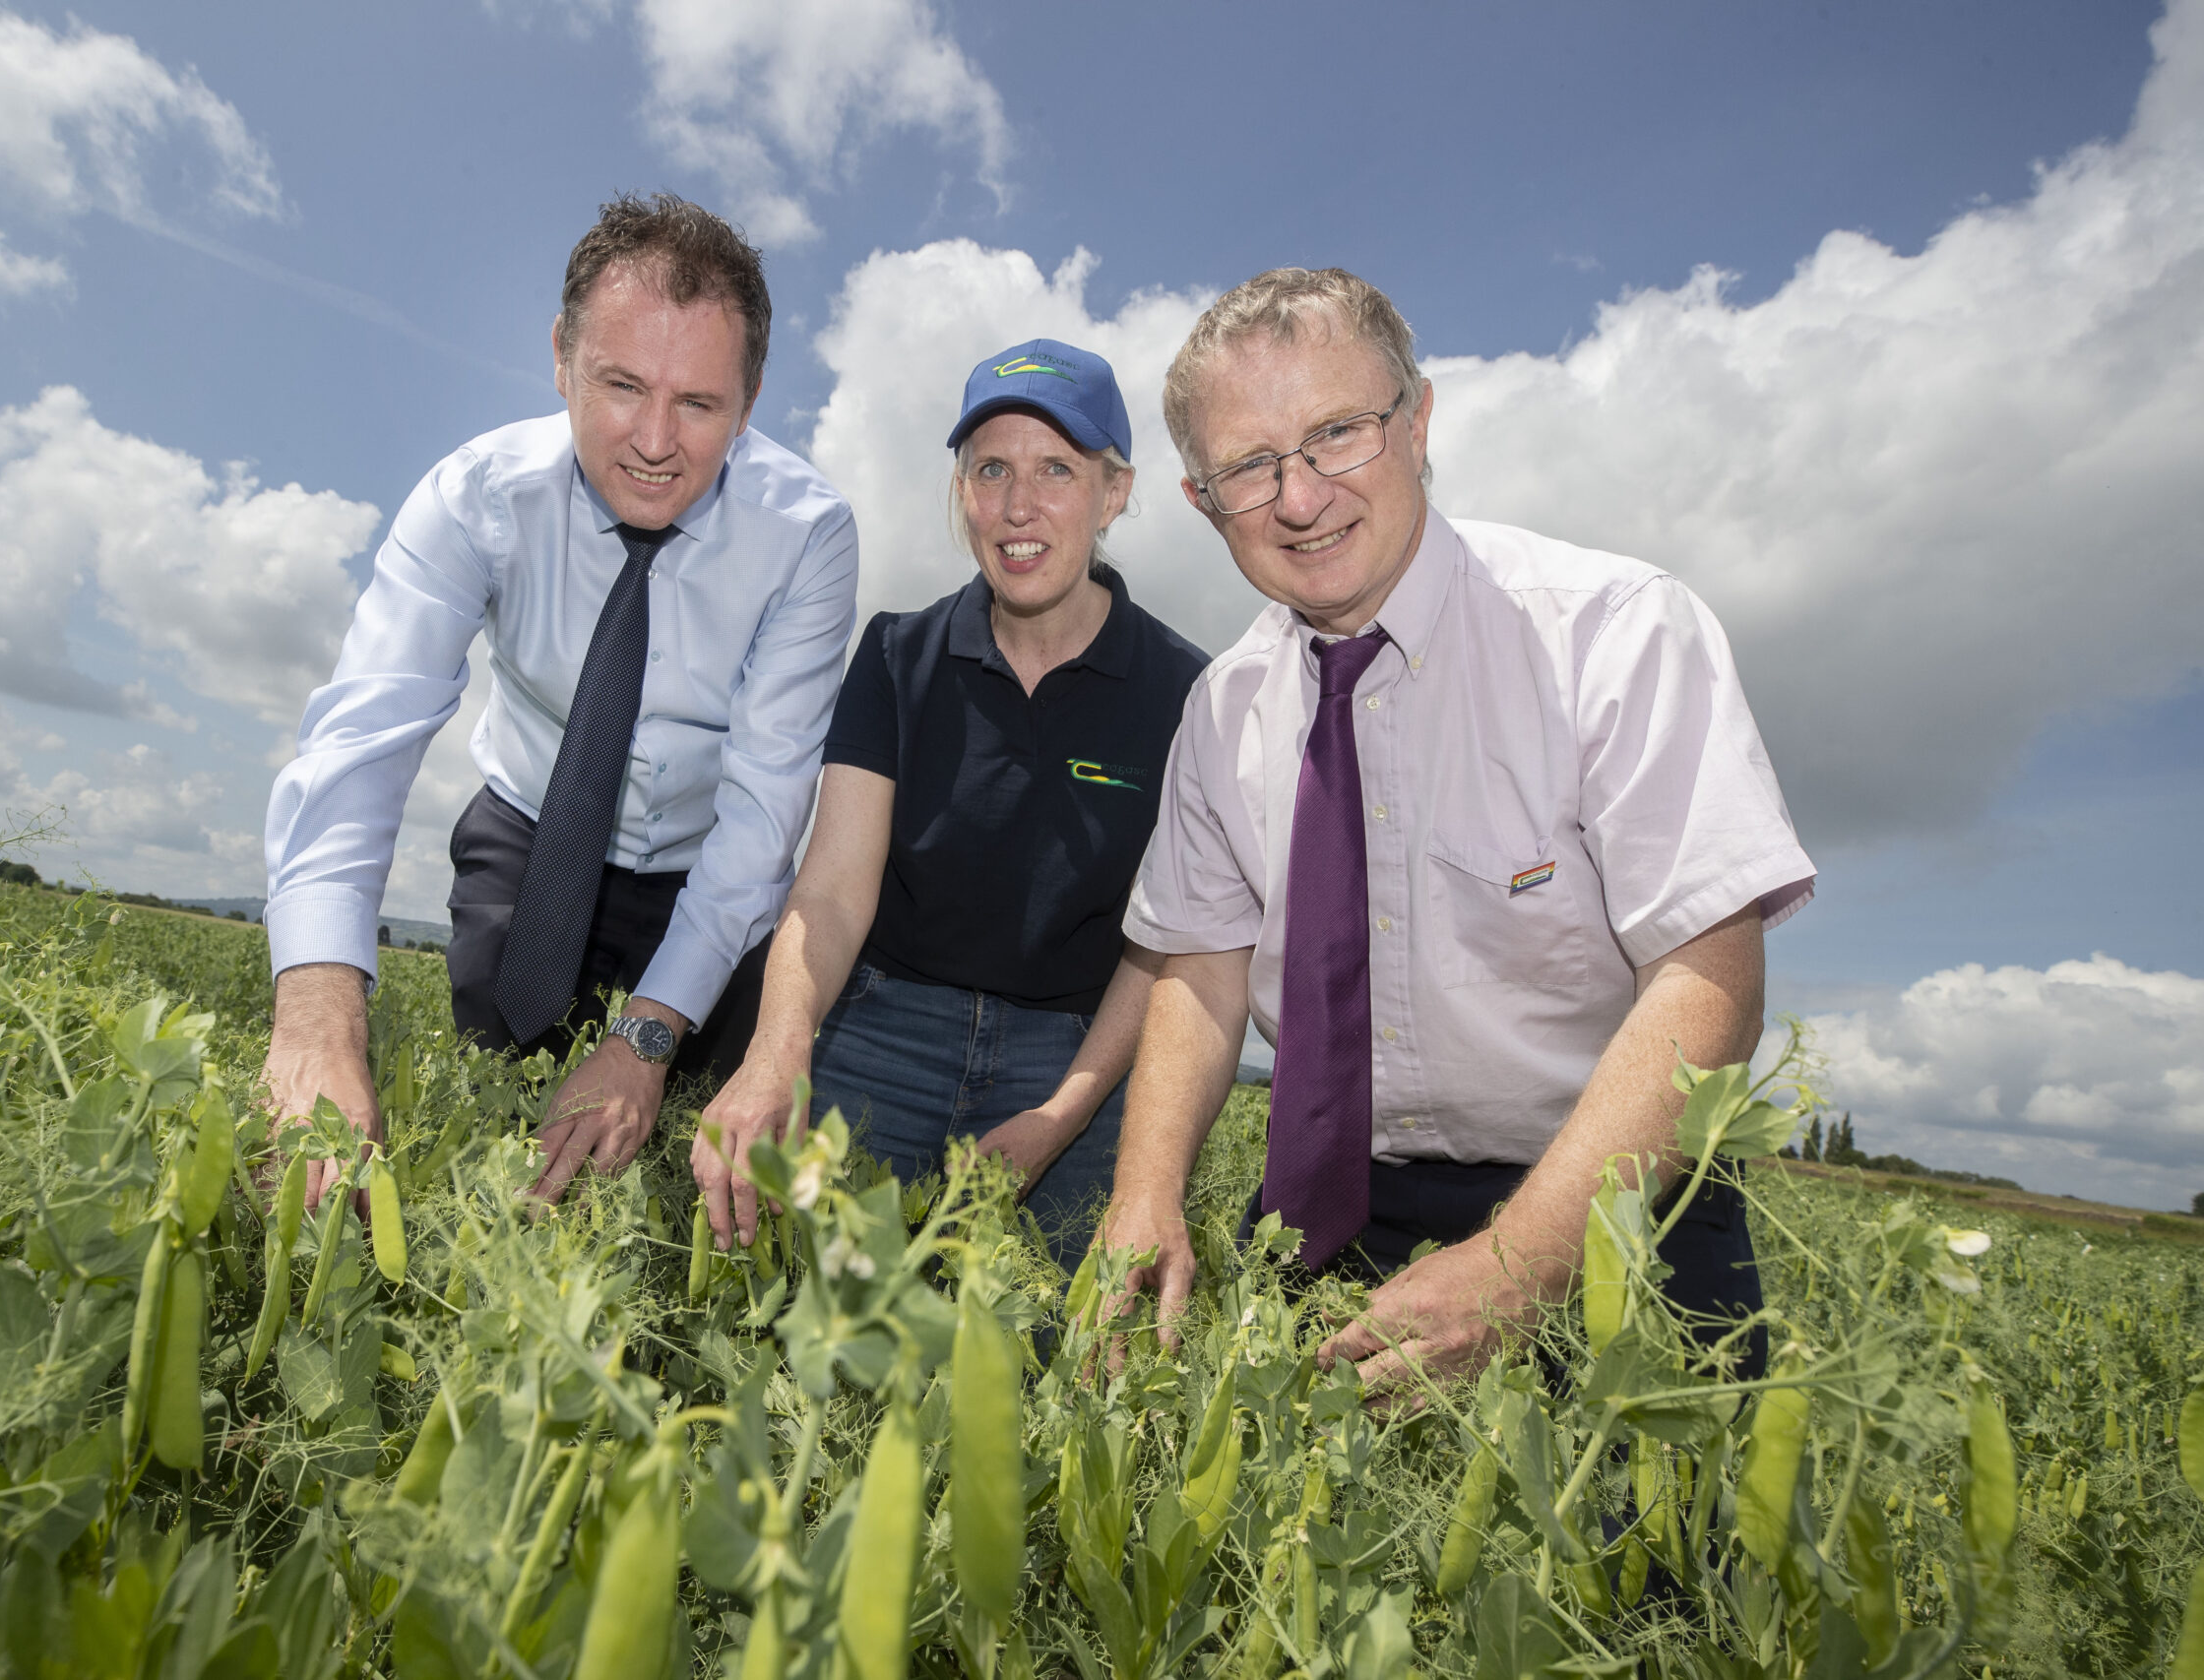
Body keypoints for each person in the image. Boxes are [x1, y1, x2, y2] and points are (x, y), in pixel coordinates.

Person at [1102, 268, 1815, 1389]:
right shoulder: (1225, 705)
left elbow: (1708, 970)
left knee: (1655, 1562)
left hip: (1624, 1190)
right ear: (1201, 502)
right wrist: (1144, 1198)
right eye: (1248, 465)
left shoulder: (1613, 632)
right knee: (1287, 1548)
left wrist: (1523, 1261)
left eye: (1338, 432)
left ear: (1419, 421)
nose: (1299, 497)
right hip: (1331, 1207)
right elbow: (1200, 970)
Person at [260, 194, 858, 1208]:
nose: (655, 442)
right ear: (560, 355)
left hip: (701, 867)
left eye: (701, 405)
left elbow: (764, 815)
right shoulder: (472, 497)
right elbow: (360, 742)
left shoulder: (807, 537)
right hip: (531, 830)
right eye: (621, 385)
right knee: (500, 1106)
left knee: (677, 1162)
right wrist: (317, 1017)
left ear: (751, 401)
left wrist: (645, 1037)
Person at [694, 341, 1209, 1270]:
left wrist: (1060, 1114)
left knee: (1053, 1348)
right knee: (808, 1300)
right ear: (961, 488)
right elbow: (835, 890)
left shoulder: (1187, 692)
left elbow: (1164, 939)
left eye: (1058, 469)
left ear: (1115, 492)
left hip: (1074, 1050)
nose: (1019, 506)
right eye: (991, 469)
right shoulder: (896, 655)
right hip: (887, 1022)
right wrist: (777, 1051)